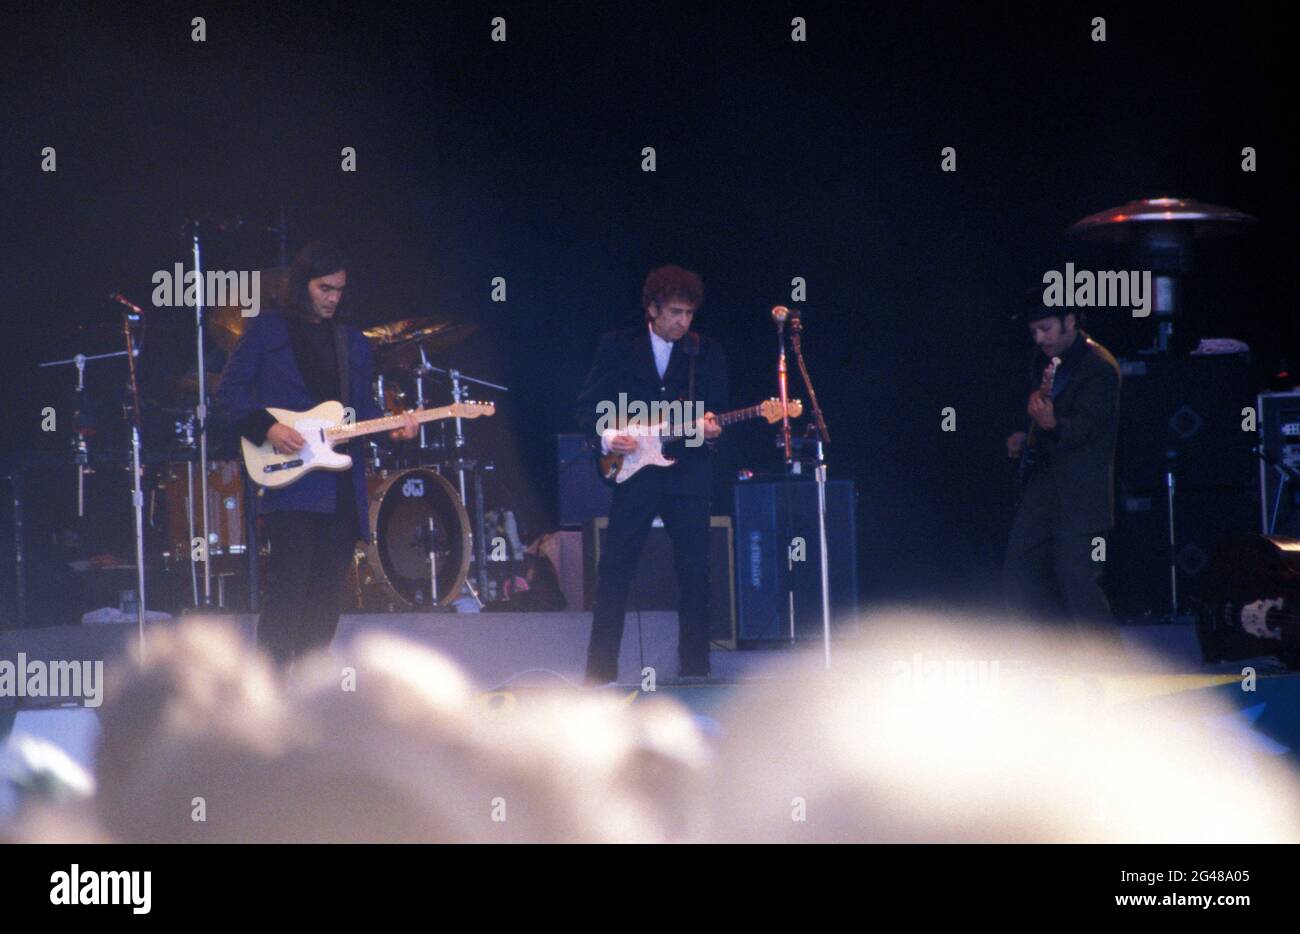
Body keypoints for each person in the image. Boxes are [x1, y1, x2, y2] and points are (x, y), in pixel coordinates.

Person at [214, 241, 417, 667]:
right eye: (324, 288)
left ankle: (308, 691)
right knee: (287, 590)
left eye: (339, 290)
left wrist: (393, 429)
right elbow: (228, 394)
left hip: (341, 486)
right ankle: (266, 692)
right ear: (302, 284)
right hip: (292, 483)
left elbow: (361, 412)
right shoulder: (269, 329)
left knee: (327, 595)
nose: (333, 298)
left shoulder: (354, 342)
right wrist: (267, 426)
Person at [576, 265, 728, 684]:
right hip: (635, 475)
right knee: (616, 569)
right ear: (652, 308)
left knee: (695, 570)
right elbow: (588, 407)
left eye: (689, 314)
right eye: (675, 312)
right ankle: (600, 671)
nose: (682, 321)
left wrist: (711, 431)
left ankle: (696, 669)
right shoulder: (617, 346)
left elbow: (714, 413)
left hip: (688, 476)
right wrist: (608, 437)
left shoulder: (706, 352)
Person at [1004, 304, 1120, 635]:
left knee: (1079, 580)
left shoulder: (1099, 366)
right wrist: (1025, 438)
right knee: (1018, 570)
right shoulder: (1049, 360)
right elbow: (1045, 418)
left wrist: (1051, 425)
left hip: (1081, 493)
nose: (1039, 338)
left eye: (1046, 329)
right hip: (1044, 487)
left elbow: (1088, 429)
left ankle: (1107, 664)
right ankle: (1046, 655)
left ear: (1069, 321)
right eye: (1034, 332)